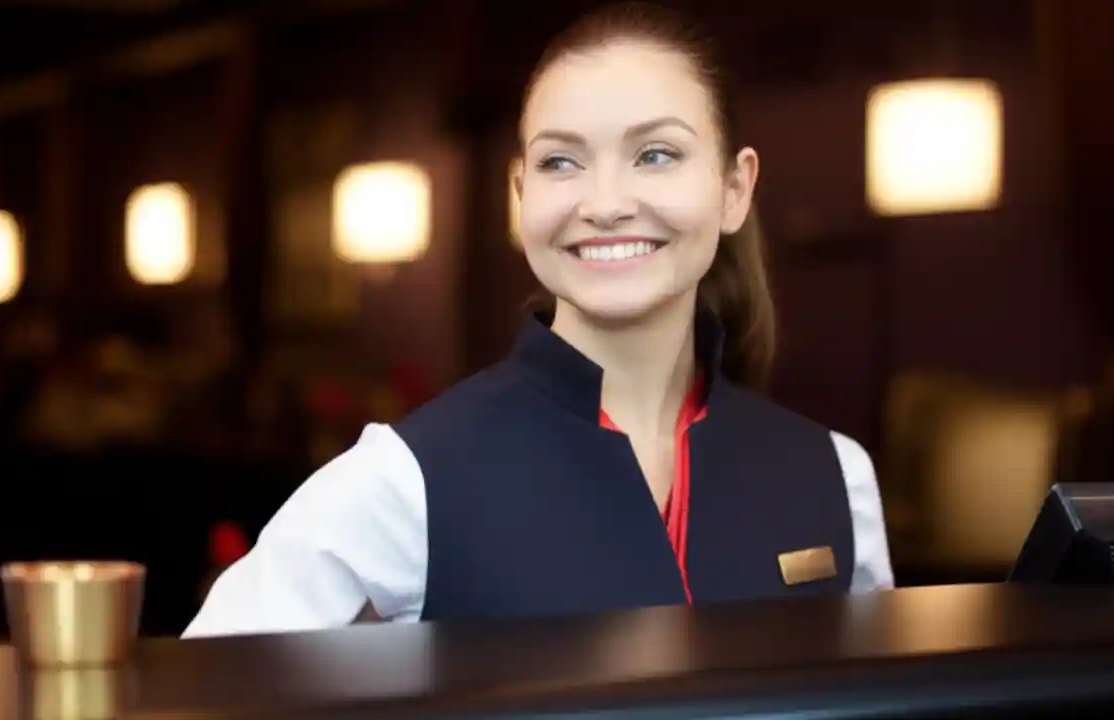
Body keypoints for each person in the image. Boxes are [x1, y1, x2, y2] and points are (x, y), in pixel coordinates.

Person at [183, 1, 892, 639]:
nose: (605, 202)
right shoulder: (405, 481)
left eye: (656, 154)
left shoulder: (834, 476)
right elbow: (207, 688)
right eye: (561, 162)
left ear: (735, 189)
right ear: (521, 194)